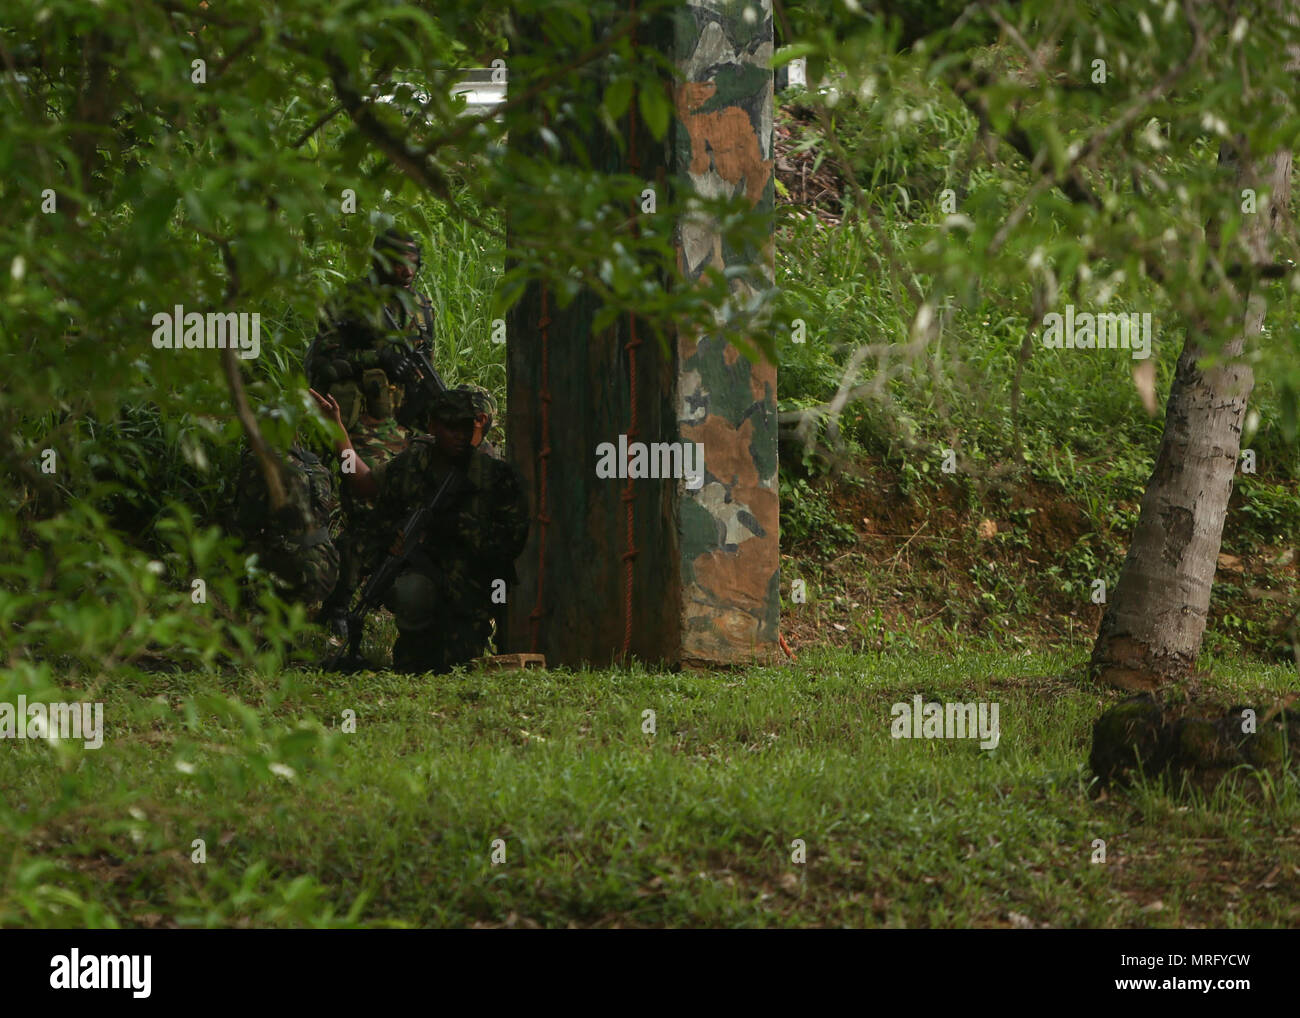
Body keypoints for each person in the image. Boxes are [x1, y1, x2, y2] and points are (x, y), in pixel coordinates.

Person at [309, 385, 528, 673]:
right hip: (425, 579)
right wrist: (337, 432)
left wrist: (456, 528)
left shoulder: (493, 474)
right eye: (451, 427)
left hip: (472, 591)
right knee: (414, 649)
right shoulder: (415, 463)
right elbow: (364, 484)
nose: (460, 434)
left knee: (458, 664)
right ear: (433, 426)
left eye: (465, 426)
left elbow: (510, 542)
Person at [306, 228, 439, 629]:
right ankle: (340, 609)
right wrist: (373, 357)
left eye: (413, 262)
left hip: (407, 423)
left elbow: (426, 358)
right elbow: (321, 364)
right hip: (361, 423)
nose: (407, 271)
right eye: (398, 263)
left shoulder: (420, 305)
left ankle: (397, 597)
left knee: (412, 511)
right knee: (365, 513)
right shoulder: (350, 301)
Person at [233, 441, 340, 604]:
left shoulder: (261, 460)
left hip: (296, 570)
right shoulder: (317, 464)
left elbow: (244, 522)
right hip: (328, 568)